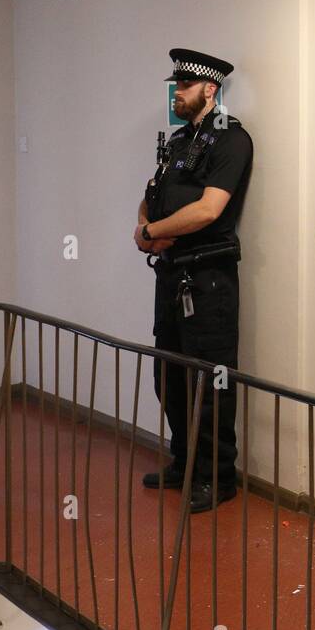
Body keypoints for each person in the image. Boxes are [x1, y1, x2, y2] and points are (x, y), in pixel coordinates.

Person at [135, 48, 252, 514]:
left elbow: (209, 209)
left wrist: (153, 233)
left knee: (211, 382)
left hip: (208, 280)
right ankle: (183, 462)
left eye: (183, 87)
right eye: (174, 86)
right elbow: (151, 195)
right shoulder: (181, 140)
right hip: (171, 275)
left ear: (210, 89)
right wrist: (146, 229)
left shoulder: (232, 140)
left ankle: (217, 477)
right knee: (170, 378)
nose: (176, 94)